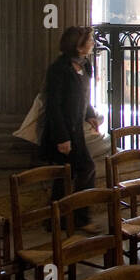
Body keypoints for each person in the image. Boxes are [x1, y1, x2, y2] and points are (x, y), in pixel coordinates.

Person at [41, 26, 102, 221]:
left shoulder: (84, 65)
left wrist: (89, 113)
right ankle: (63, 220)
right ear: (78, 46)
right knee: (71, 173)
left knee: (76, 172)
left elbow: (84, 96)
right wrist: (62, 138)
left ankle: (69, 219)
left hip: (76, 130)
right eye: (89, 41)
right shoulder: (59, 69)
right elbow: (53, 105)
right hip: (63, 132)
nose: (92, 44)